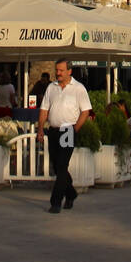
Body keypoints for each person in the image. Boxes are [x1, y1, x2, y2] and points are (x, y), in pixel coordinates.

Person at [37, 58, 92, 213]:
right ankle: (71, 193)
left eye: (61, 70)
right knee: (56, 165)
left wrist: (75, 129)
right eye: (57, 70)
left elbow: (85, 111)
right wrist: (40, 129)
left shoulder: (78, 88)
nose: (58, 73)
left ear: (69, 71)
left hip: (68, 129)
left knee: (62, 166)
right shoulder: (51, 87)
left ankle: (55, 201)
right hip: (53, 130)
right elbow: (44, 110)